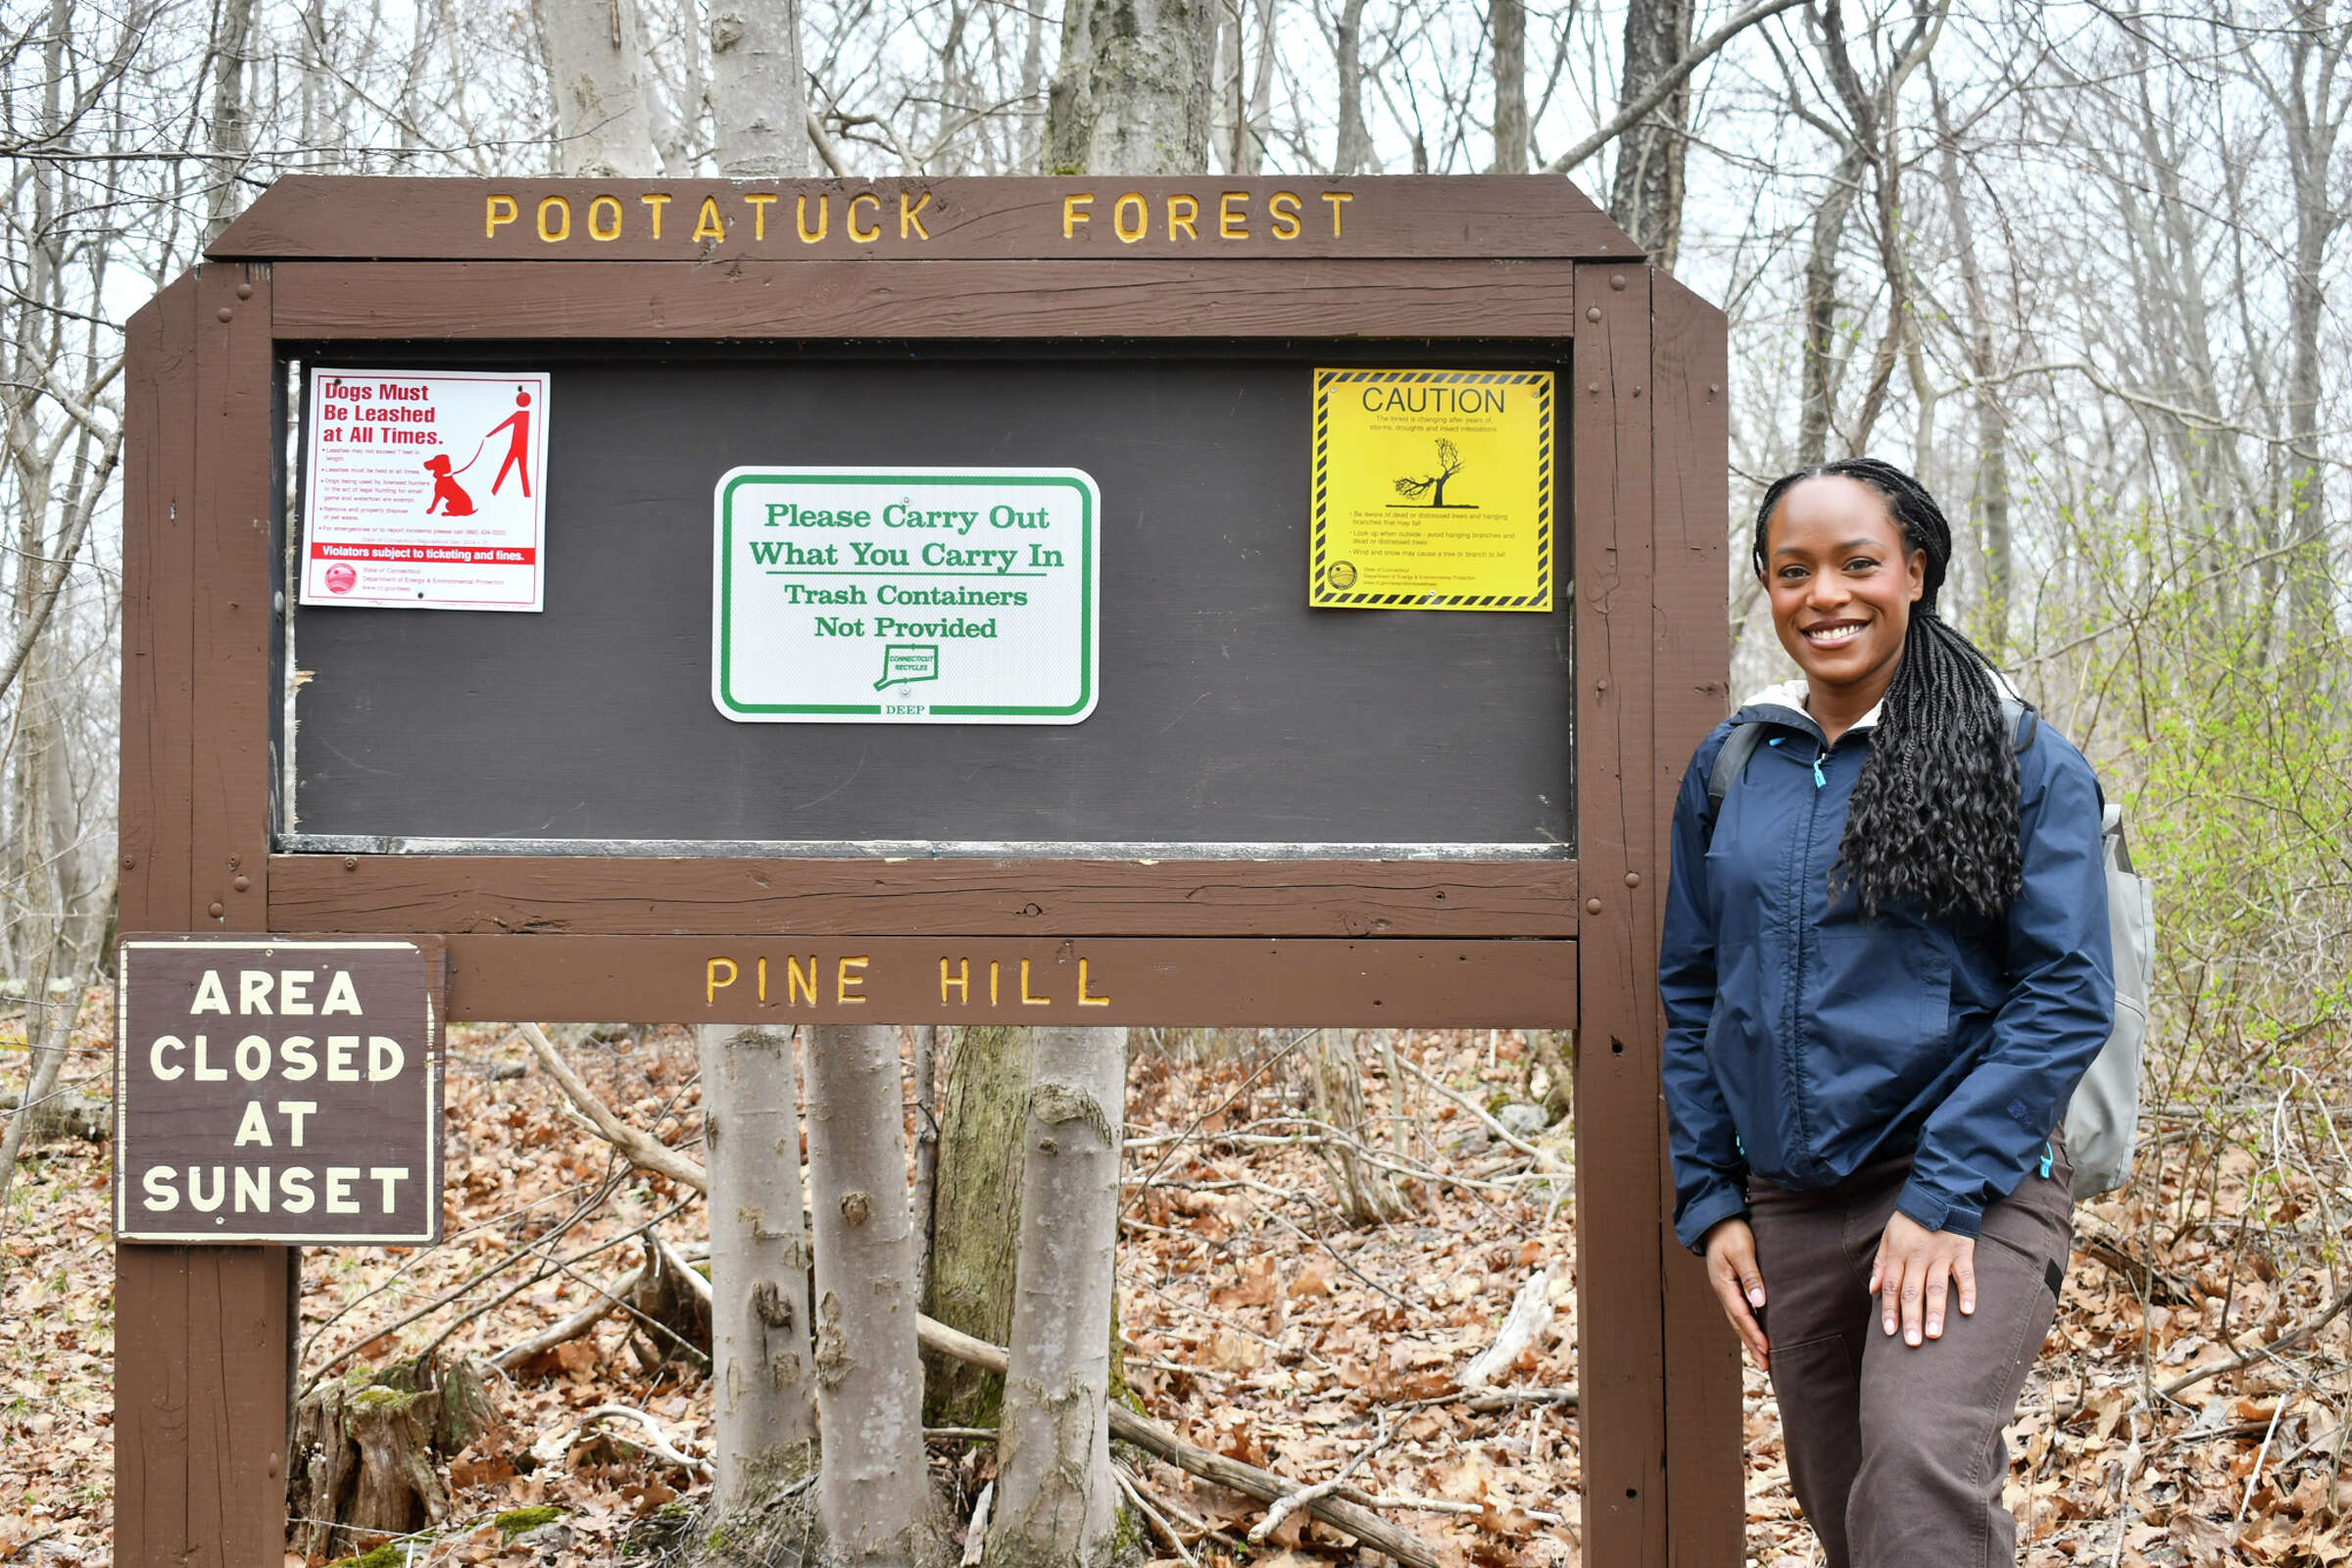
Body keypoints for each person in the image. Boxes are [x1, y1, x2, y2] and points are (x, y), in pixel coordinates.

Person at [1658, 458, 2114, 1568]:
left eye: (1859, 564)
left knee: (1915, 1472)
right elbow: (1693, 993)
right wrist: (1714, 1198)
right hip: (1793, 1203)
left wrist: (1943, 1193)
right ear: (1765, 585)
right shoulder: (1734, 767)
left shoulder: (2017, 757)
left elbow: (2066, 993)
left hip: (1973, 1183)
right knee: (1850, 1505)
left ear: (1914, 568)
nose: (1827, 596)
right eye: (1793, 570)